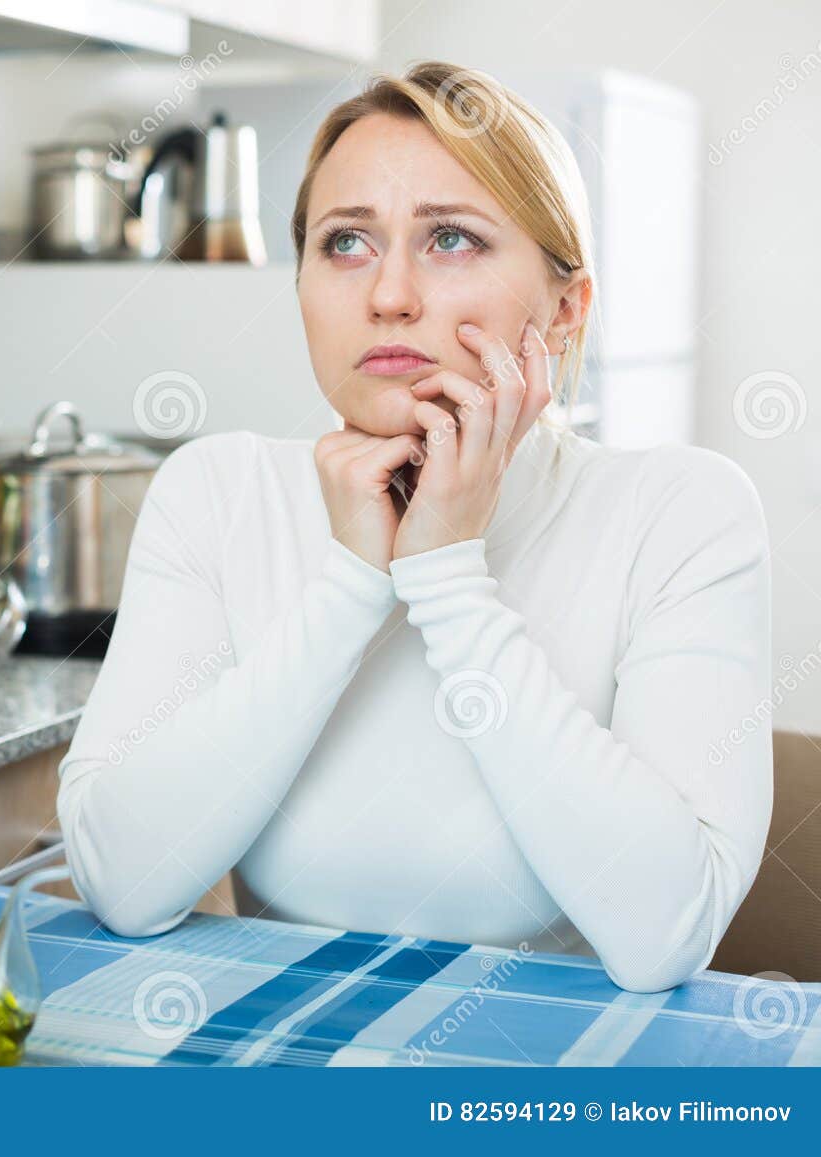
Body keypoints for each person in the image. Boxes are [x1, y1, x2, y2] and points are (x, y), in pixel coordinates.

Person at [55, 61, 772, 994]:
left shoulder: (681, 513)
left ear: (566, 310)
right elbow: (121, 884)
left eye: (451, 238)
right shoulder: (217, 493)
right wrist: (352, 582)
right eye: (346, 241)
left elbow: (663, 936)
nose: (389, 293)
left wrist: (447, 576)